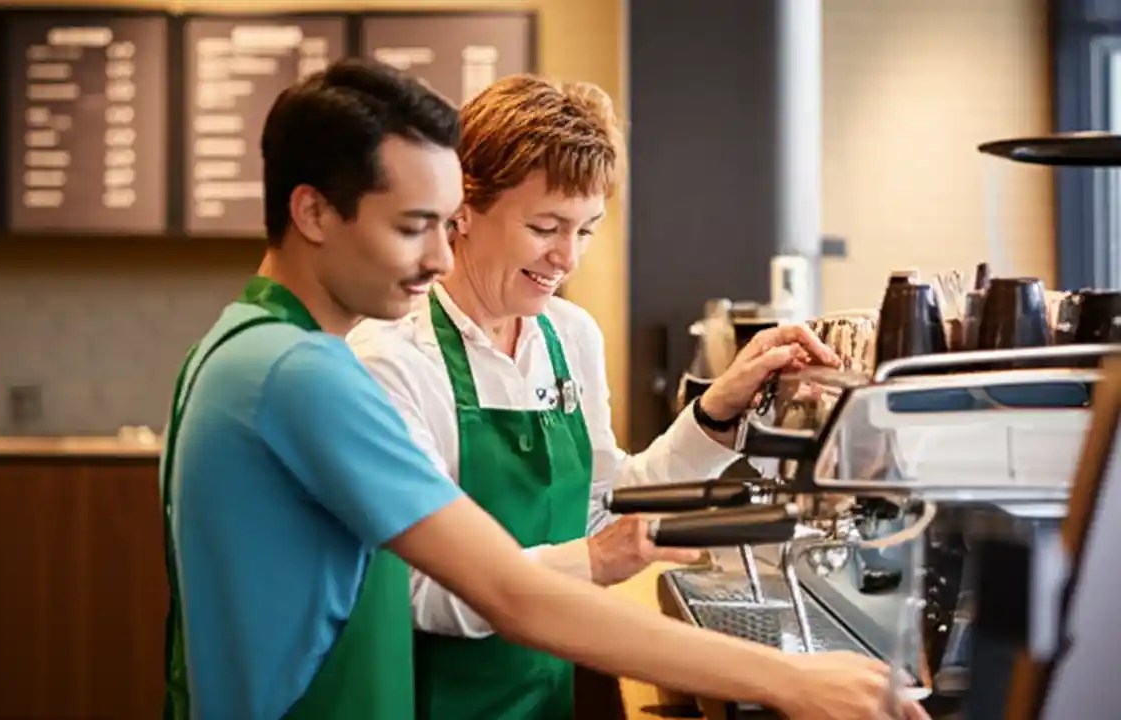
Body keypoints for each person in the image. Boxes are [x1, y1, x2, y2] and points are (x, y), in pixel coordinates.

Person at [161, 58, 926, 720]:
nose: (436, 257)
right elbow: (506, 591)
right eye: (414, 226)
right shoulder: (312, 375)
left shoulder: (233, 349)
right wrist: (790, 678)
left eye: (442, 223)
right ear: (314, 212)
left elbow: (595, 507)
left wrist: (716, 416)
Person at [348, 75, 848, 719]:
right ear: (463, 208)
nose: (566, 258)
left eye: (586, 230)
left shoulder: (569, 336)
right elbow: (414, 593)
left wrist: (719, 414)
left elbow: (602, 509)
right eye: (545, 226)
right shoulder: (392, 359)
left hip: (543, 700)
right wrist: (594, 560)